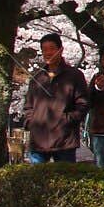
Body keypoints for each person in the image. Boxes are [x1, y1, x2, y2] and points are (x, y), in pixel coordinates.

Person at [22, 33, 89, 163]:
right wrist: (31, 122)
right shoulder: (37, 78)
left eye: (51, 48)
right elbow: (28, 106)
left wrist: (66, 119)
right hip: (39, 139)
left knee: (66, 179)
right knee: (36, 180)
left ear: (60, 50)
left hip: (64, 140)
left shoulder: (74, 75)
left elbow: (83, 104)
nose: (48, 53)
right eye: (44, 49)